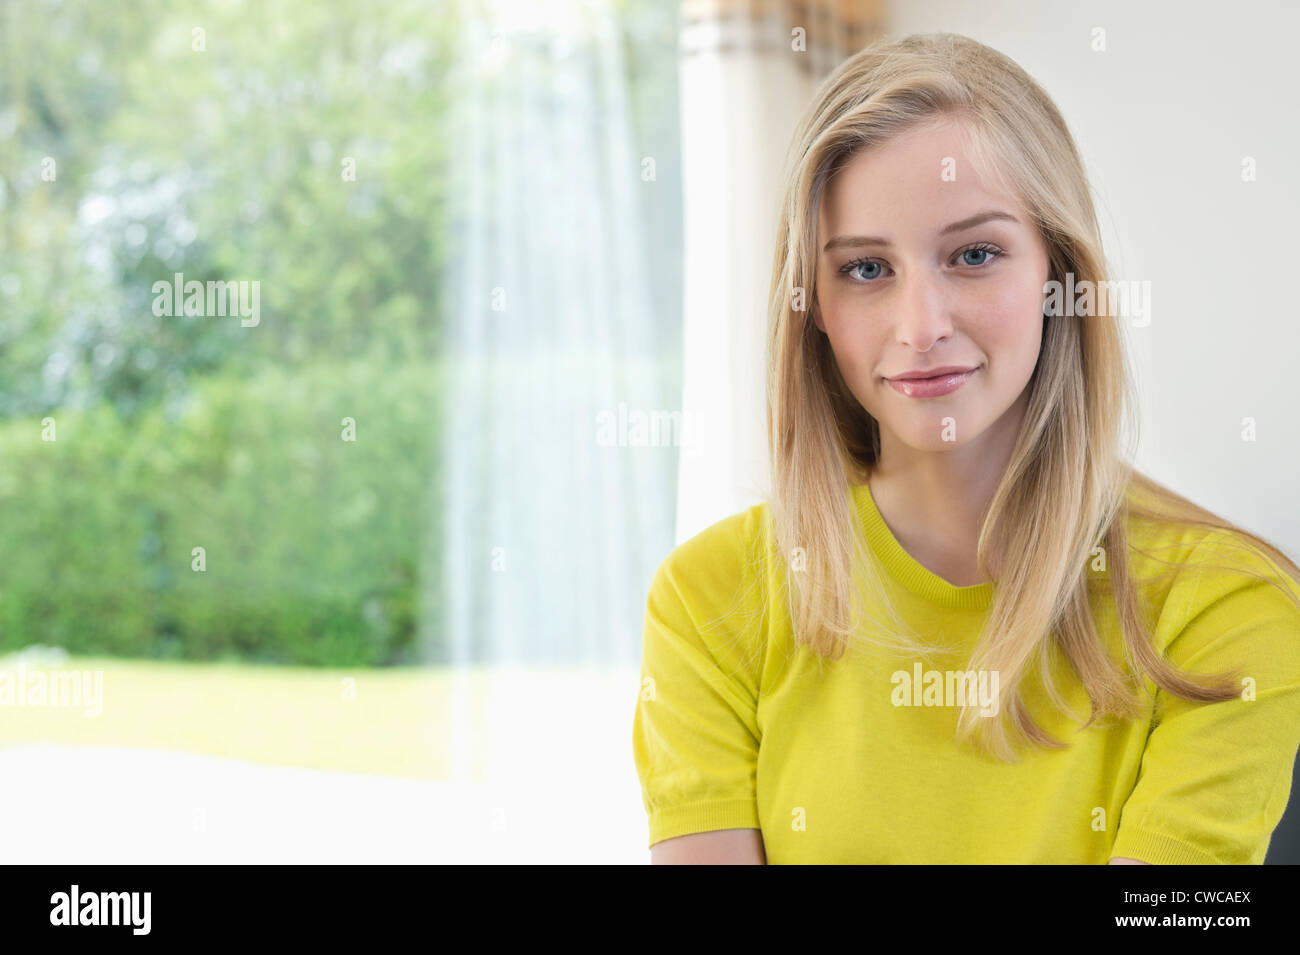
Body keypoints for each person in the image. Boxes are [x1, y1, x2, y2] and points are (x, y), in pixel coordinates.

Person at [631, 32, 1300, 864]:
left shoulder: (1228, 607)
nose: (921, 328)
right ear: (814, 306)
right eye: (867, 270)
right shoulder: (710, 600)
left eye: (975, 254)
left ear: (1060, 275)